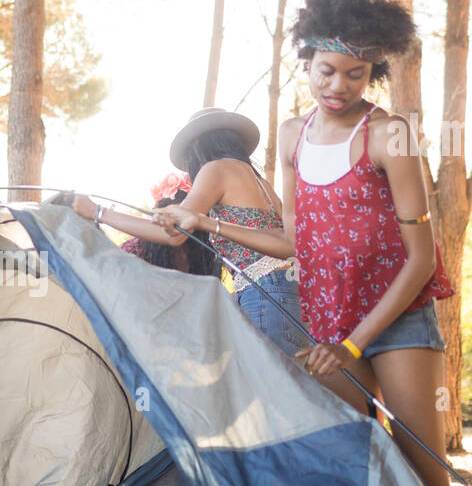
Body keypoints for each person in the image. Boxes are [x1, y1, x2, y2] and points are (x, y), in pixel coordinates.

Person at [155, 0, 472, 486]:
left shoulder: (390, 135)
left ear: (373, 70)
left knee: (422, 471)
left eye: (355, 73)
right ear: (306, 61)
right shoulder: (292, 137)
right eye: (326, 70)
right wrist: (208, 224)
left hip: (393, 319)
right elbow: (292, 241)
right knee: (356, 471)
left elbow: (422, 257)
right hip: (327, 322)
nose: (338, 85)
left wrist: (354, 344)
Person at [71, 108, 309, 354]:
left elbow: (173, 233)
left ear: (197, 145)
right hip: (291, 293)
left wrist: (98, 213)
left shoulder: (215, 169)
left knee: (264, 389)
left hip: (263, 294)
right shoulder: (262, 182)